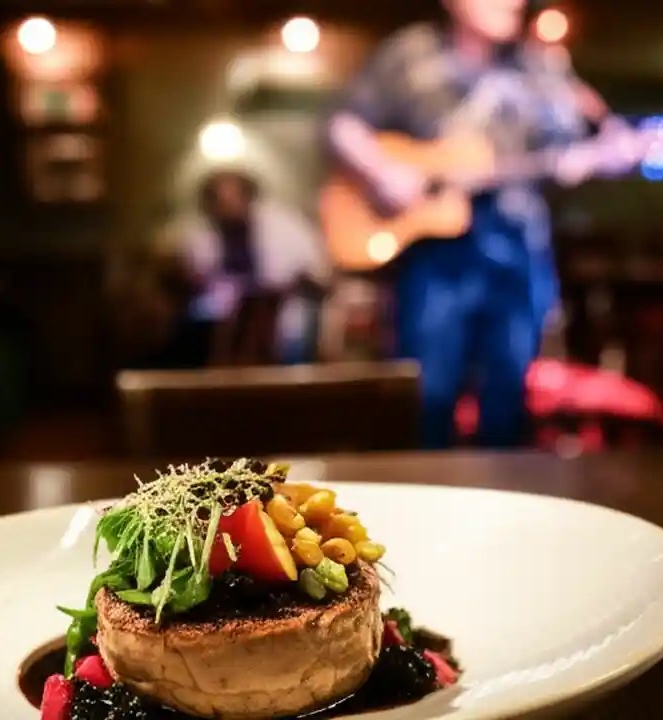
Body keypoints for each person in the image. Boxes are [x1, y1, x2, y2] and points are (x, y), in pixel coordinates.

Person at [327, 0, 636, 447]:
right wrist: (383, 171)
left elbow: (576, 149)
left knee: (507, 403)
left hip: (517, 252)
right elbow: (342, 125)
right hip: (437, 260)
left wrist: (602, 155)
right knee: (427, 400)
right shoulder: (412, 54)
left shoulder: (542, 67)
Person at [172, 170, 331, 366]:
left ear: (249, 197)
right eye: (219, 201)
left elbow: (316, 274)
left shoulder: (286, 228)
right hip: (221, 329)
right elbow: (198, 282)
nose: (228, 207)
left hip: (284, 328)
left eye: (233, 198)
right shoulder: (198, 237)